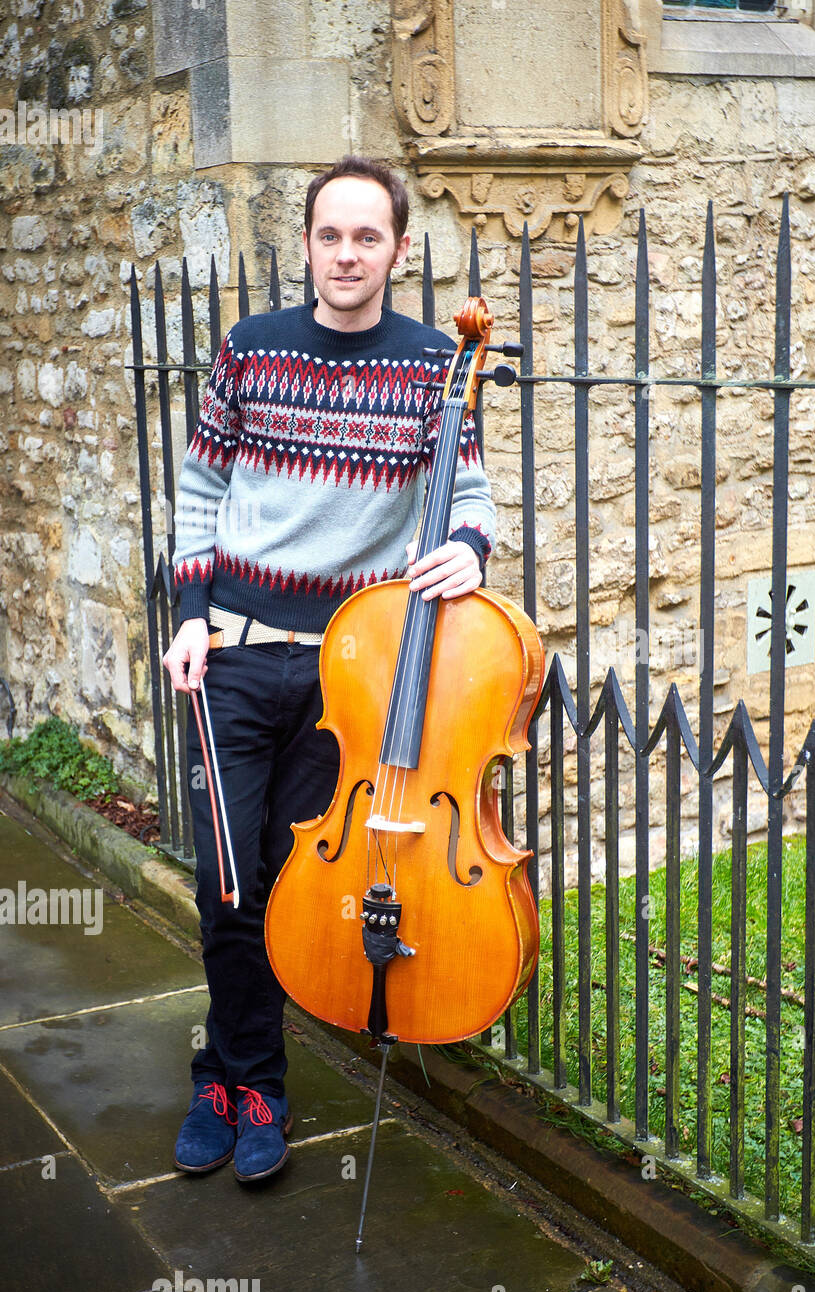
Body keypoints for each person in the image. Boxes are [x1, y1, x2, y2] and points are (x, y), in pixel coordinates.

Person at [162, 155, 495, 1182]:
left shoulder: (432, 364)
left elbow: (471, 494)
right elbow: (200, 487)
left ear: (398, 248)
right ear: (305, 243)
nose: (346, 253)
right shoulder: (249, 349)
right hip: (232, 656)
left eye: (367, 236)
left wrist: (470, 548)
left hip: (345, 682)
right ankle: (243, 1073)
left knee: (286, 891)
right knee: (229, 884)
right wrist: (188, 612)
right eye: (329, 235)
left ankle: (239, 1078)